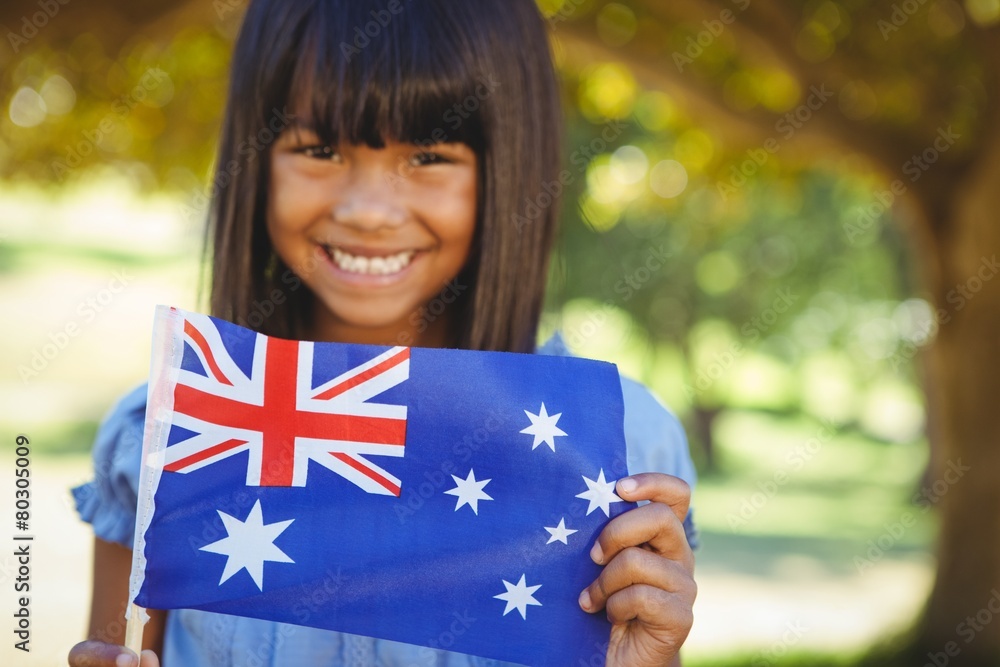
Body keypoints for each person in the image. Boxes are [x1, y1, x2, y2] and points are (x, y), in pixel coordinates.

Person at [68, 0, 698, 665]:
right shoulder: (168, 432)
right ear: (255, 160)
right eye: (318, 149)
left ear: (510, 167)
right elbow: (119, 643)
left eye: (428, 154)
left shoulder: (629, 452)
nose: (368, 211)